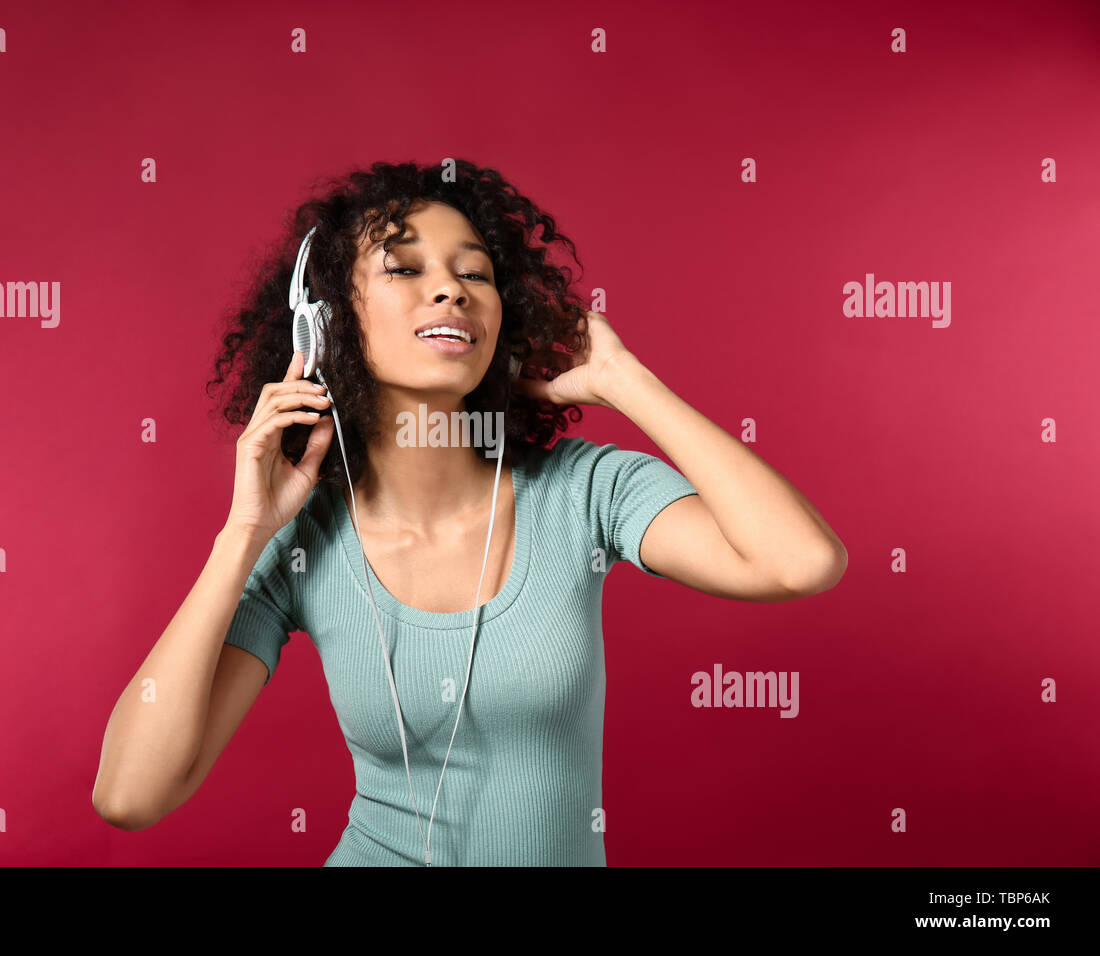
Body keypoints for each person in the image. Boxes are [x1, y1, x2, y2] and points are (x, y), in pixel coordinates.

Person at [91, 160, 848, 865]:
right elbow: (131, 795)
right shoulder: (304, 542)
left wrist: (626, 380)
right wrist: (243, 535)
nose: (451, 290)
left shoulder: (586, 493)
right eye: (405, 267)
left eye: (475, 274)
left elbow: (800, 562)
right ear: (324, 325)